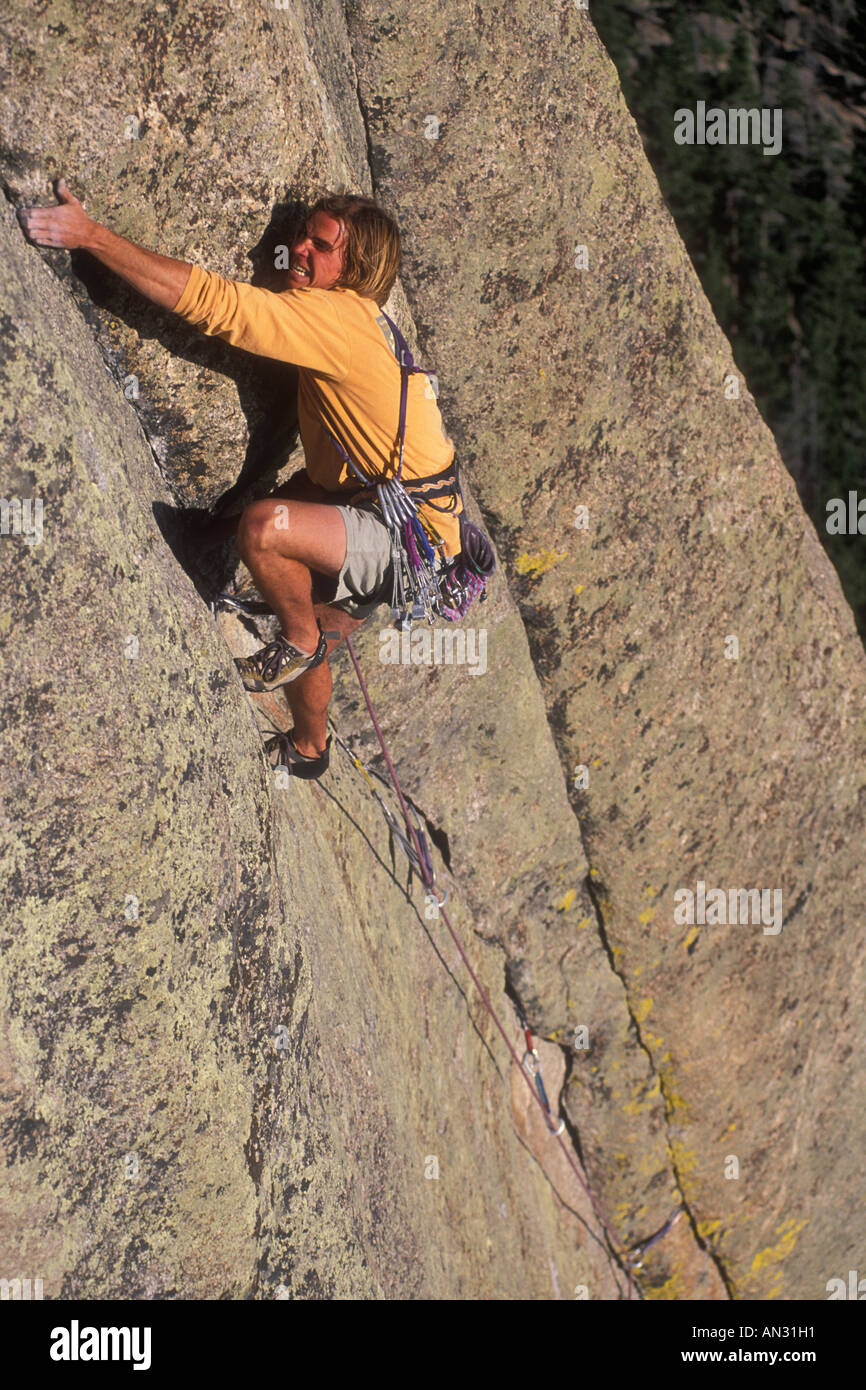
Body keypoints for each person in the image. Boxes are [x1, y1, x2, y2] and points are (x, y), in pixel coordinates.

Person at [18, 179, 462, 778]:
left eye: (320, 244)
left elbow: (217, 305)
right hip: (410, 524)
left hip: (409, 537)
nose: (298, 247)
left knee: (266, 534)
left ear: (352, 269)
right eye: (302, 232)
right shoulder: (364, 324)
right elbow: (331, 474)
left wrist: (90, 236)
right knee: (309, 619)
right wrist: (215, 530)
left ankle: (299, 641)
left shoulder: (335, 323)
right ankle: (310, 749)